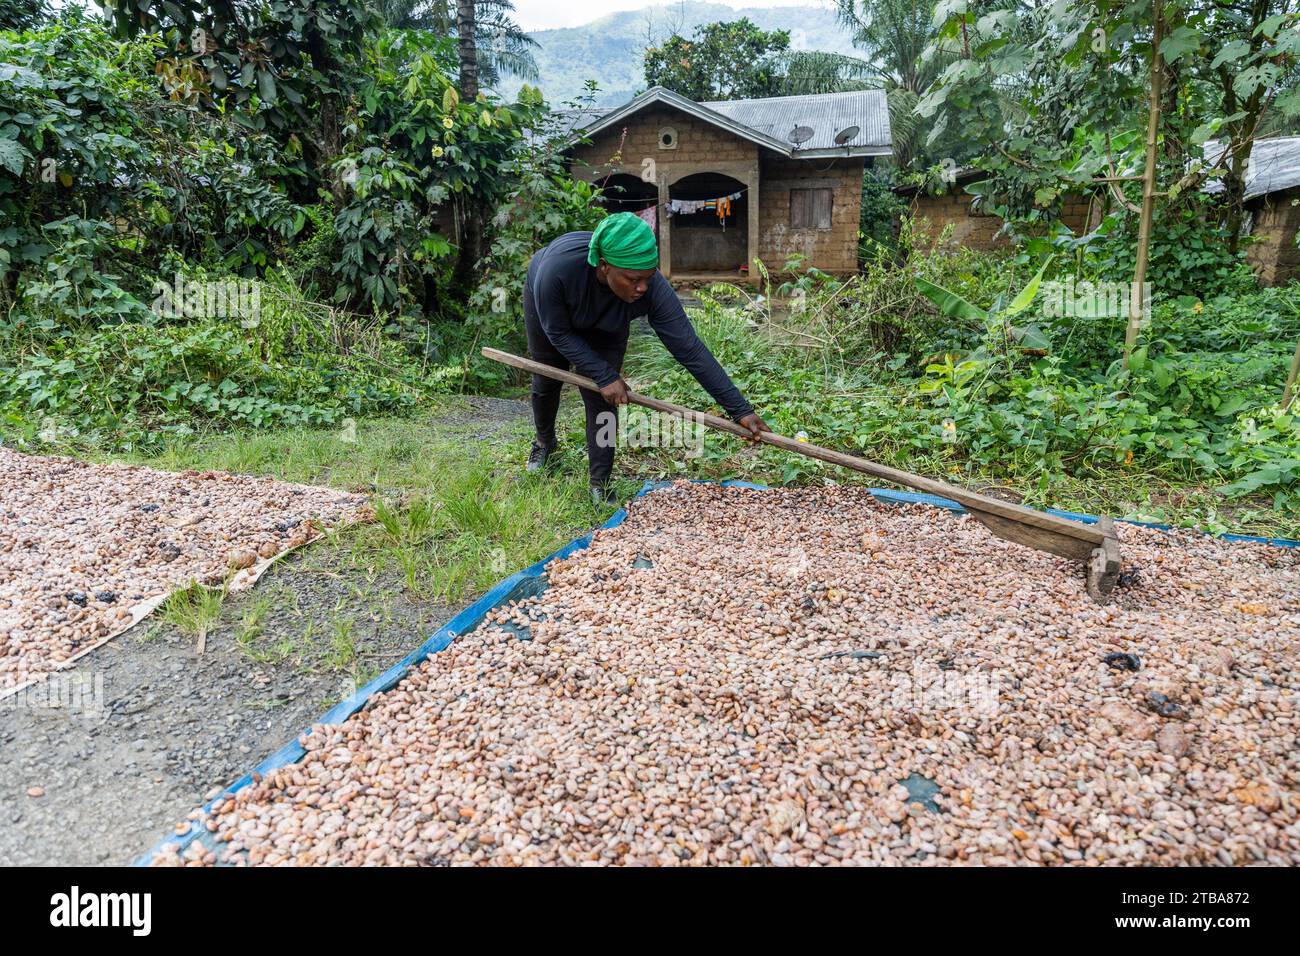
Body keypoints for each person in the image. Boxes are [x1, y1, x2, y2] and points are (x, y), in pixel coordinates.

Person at [523, 211, 768, 505]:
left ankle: (599, 483)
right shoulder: (557, 271)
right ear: (604, 266)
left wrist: (739, 409)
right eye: (634, 279)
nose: (643, 288)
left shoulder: (650, 289)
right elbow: (558, 333)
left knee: (603, 399)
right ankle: (544, 443)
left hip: (608, 323)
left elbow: (689, 348)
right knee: (547, 378)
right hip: (553, 320)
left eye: (649, 278)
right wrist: (602, 374)